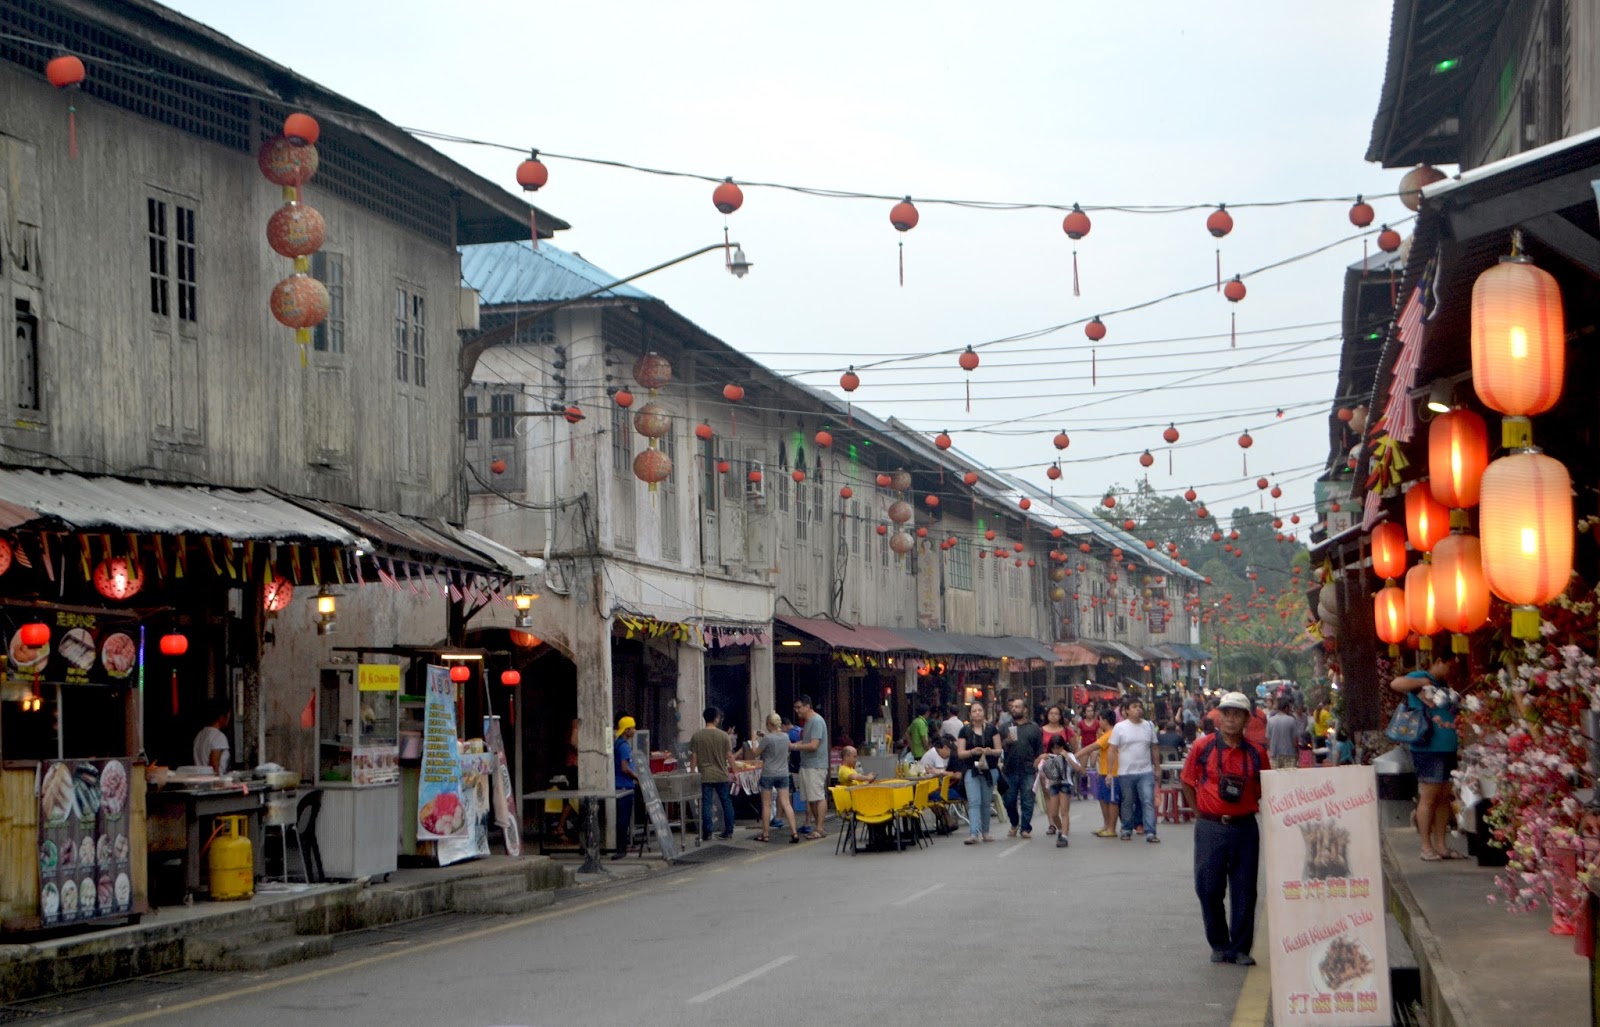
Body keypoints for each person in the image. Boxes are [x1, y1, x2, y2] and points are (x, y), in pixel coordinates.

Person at [1180, 691, 1267, 965]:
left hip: (1244, 829)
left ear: (1246, 719)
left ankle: (1241, 948)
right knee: (1208, 887)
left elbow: (1264, 787)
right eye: (1225, 713)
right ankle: (1219, 944)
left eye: (1236, 714)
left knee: (1245, 889)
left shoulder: (1257, 753)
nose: (1230, 719)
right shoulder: (1202, 747)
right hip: (1210, 827)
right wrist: (1200, 813)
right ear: (1218, 717)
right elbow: (1187, 781)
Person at [1390, 656, 1464, 860]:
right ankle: (1426, 846)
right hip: (1428, 748)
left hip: (1448, 747)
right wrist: (1423, 683)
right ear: (1439, 660)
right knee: (1429, 796)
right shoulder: (1422, 677)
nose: (1451, 670)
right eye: (1449, 664)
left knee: (1443, 797)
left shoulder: (1446, 684)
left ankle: (1441, 845)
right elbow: (1396, 683)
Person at [1110, 698, 1160, 843]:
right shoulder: (1120, 727)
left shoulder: (1149, 726)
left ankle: (1150, 831)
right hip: (1126, 772)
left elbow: (1154, 747)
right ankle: (1126, 829)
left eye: (1139, 706)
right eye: (1134, 706)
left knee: (1147, 800)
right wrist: (1110, 772)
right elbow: (1112, 750)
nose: (1138, 709)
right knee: (1127, 801)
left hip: (1145, 771)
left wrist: (1157, 767)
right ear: (1126, 711)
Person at [955, 702, 1002, 844]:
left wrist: (990, 751)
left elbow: (999, 750)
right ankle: (973, 833)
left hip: (989, 770)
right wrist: (972, 752)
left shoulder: (992, 729)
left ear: (984, 712)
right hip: (971, 769)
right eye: (974, 711)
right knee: (974, 801)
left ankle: (986, 832)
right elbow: (960, 753)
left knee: (986, 802)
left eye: (980, 710)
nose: (977, 713)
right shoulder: (964, 731)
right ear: (970, 714)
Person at [688, 706, 736, 841]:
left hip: (705, 775)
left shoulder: (697, 736)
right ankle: (729, 831)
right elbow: (729, 756)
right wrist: (735, 773)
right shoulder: (724, 735)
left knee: (706, 803)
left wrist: (692, 773)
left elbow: (694, 757)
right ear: (716, 719)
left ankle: (707, 833)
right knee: (726, 802)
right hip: (721, 774)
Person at [750, 712, 799, 844]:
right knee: (786, 803)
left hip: (768, 773)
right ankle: (794, 832)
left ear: (769, 724)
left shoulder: (767, 739)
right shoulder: (785, 736)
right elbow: (784, 745)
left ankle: (765, 834)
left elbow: (755, 753)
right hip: (783, 773)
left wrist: (754, 739)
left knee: (766, 805)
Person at [1076, 709, 1121, 838]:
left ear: (1105, 721)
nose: (1098, 722)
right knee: (1102, 799)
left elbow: (1092, 747)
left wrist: (1075, 756)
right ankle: (1106, 825)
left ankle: (1111, 828)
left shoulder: (1110, 734)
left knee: (1111, 801)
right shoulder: (1106, 733)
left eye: (1100, 719)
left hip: (1112, 772)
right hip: (1103, 771)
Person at [1001, 699, 1043, 838]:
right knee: (1009, 800)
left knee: (1028, 799)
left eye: (1017, 707)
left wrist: (1038, 765)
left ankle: (1025, 828)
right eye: (1012, 707)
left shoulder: (1034, 727)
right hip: (1009, 769)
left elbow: (1039, 749)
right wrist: (1007, 741)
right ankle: (1014, 822)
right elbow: (998, 747)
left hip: (1028, 769)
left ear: (1025, 709)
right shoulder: (1004, 727)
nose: (1014, 709)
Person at [792, 695, 829, 840]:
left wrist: (794, 746)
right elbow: (807, 740)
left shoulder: (816, 721)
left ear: (807, 706)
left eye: (799, 707)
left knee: (818, 796)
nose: (797, 711)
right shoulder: (808, 722)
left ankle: (820, 828)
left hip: (816, 765)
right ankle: (818, 827)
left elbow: (814, 745)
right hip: (807, 764)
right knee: (811, 798)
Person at [1038, 734, 1077, 847]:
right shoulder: (1049, 756)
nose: (1056, 751)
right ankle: (1061, 829)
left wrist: (1067, 757)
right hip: (1053, 784)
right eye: (1054, 748)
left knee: (1064, 812)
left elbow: (1078, 768)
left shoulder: (1068, 755)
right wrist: (1041, 758)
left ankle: (1064, 836)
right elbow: (1036, 765)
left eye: (1059, 748)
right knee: (1054, 813)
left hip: (1065, 783)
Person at [919, 734, 961, 833]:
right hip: (948, 788)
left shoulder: (938, 754)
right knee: (931, 796)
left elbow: (940, 772)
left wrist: (937, 771)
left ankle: (946, 821)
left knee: (930, 797)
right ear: (944, 748)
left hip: (952, 790)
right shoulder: (936, 754)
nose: (948, 754)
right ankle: (947, 822)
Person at [612, 715, 639, 859]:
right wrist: (637, 778)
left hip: (620, 785)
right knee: (623, 819)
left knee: (622, 819)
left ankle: (621, 847)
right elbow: (624, 767)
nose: (634, 731)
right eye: (632, 728)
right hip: (624, 787)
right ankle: (621, 849)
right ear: (626, 730)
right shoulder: (623, 747)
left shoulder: (618, 744)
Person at [192, 700, 232, 773]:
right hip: (212, 782)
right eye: (228, 715)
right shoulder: (219, 737)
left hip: (199, 780)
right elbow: (214, 766)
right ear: (221, 717)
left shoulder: (200, 734)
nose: (229, 719)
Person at [1266, 698, 1300, 771]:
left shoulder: (1270, 721)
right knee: (1289, 779)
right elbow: (1295, 740)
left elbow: (1268, 739)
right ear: (1286, 708)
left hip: (1274, 755)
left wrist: (1271, 750)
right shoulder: (1291, 720)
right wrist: (1297, 752)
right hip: (1290, 755)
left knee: (1276, 779)